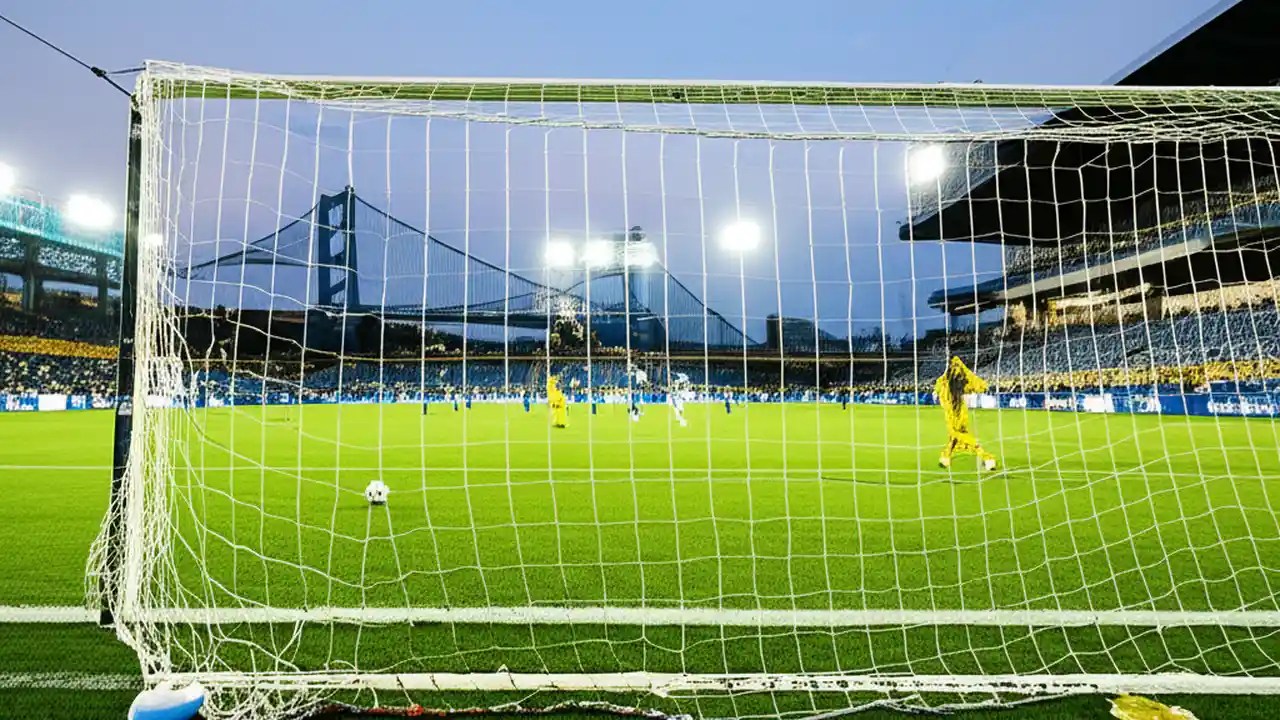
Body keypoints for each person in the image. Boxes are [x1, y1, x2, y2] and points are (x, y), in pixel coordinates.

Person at [934, 356, 997, 470]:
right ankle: (945, 457)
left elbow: (968, 382)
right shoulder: (954, 377)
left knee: (958, 434)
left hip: (955, 412)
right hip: (958, 410)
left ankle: (987, 458)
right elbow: (970, 383)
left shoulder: (951, 378)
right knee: (953, 436)